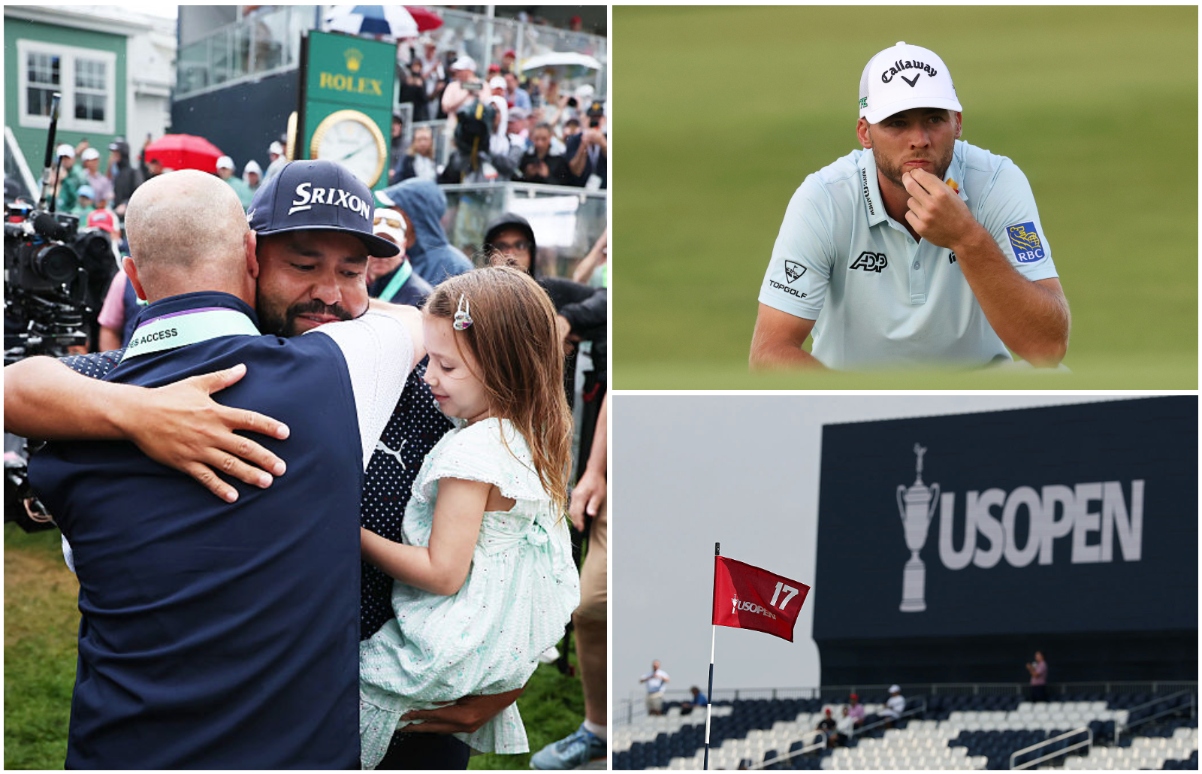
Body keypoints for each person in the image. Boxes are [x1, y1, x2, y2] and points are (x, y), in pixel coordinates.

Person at [7, 166, 425, 768]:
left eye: (351, 271)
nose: (331, 292)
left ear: (132, 278)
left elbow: (16, 387)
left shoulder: (68, 415)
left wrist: (131, 410)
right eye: (304, 266)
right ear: (251, 255)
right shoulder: (337, 372)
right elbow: (415, 321)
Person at [358, 267, 581, 769]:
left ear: (503, 366)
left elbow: (443, 572)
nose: (428, 376)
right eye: (429, 360)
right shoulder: (527, 435)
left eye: (447, 366)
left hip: (443, 646)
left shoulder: (472, 452)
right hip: (493, 643)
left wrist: (353, 536)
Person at [752, 41, 1070, 371]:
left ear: (958, 122)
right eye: (897, 123)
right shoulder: (824, 198)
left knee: (1059, 380)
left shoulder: (995, 182)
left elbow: (1047, 348)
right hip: (855, 399)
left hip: (977, 394)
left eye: (934, 119)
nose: (919, 139)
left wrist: (966, 238)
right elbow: (770, 352)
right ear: (864, 132)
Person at [529, 393, 608, 770]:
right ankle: (599, 732)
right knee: (591, 605)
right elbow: (616, 390)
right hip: (636, 464)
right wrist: (594, 469)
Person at [380, 178, 474, 282]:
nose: (388, 212)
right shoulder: (392, 258)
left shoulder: (456, 266)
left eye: (393, 207)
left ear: (413, 214)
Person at [367, 206, 433, 308]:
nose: (381, 253)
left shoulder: (421, 297)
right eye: (375, 243)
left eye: (390, 244)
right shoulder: (356, 285)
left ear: (403, 245)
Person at [564, 102, 607, 189]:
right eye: (592, 119)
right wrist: (583, 145)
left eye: (598, 119)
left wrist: (603, 144)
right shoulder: (574, 140)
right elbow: (576, 171)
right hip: (580, 188)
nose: (595, 122)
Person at [107, 137, 143, 217]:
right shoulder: (117, 174)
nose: (114, 155)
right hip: (118, 215)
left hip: (131, 216)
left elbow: (139, 194)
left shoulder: (133, 172)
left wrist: (126, 204)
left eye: (116, 152)